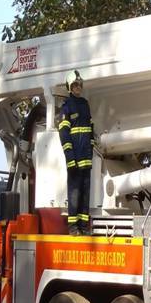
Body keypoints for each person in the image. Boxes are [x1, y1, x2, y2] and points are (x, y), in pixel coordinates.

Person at [58, 70, 94, 235]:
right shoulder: (66, 107)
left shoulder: (85, 104)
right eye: (75, 85)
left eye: (79, 85)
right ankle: (73, 227)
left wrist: (91, 149)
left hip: (86, 158)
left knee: (85, 194)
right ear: (70, 87)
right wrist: (70, 158)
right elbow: (64, 134)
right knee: (74, 193)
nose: (78, 87)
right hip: (74, 159)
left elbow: (90, 129)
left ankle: (83, 226)